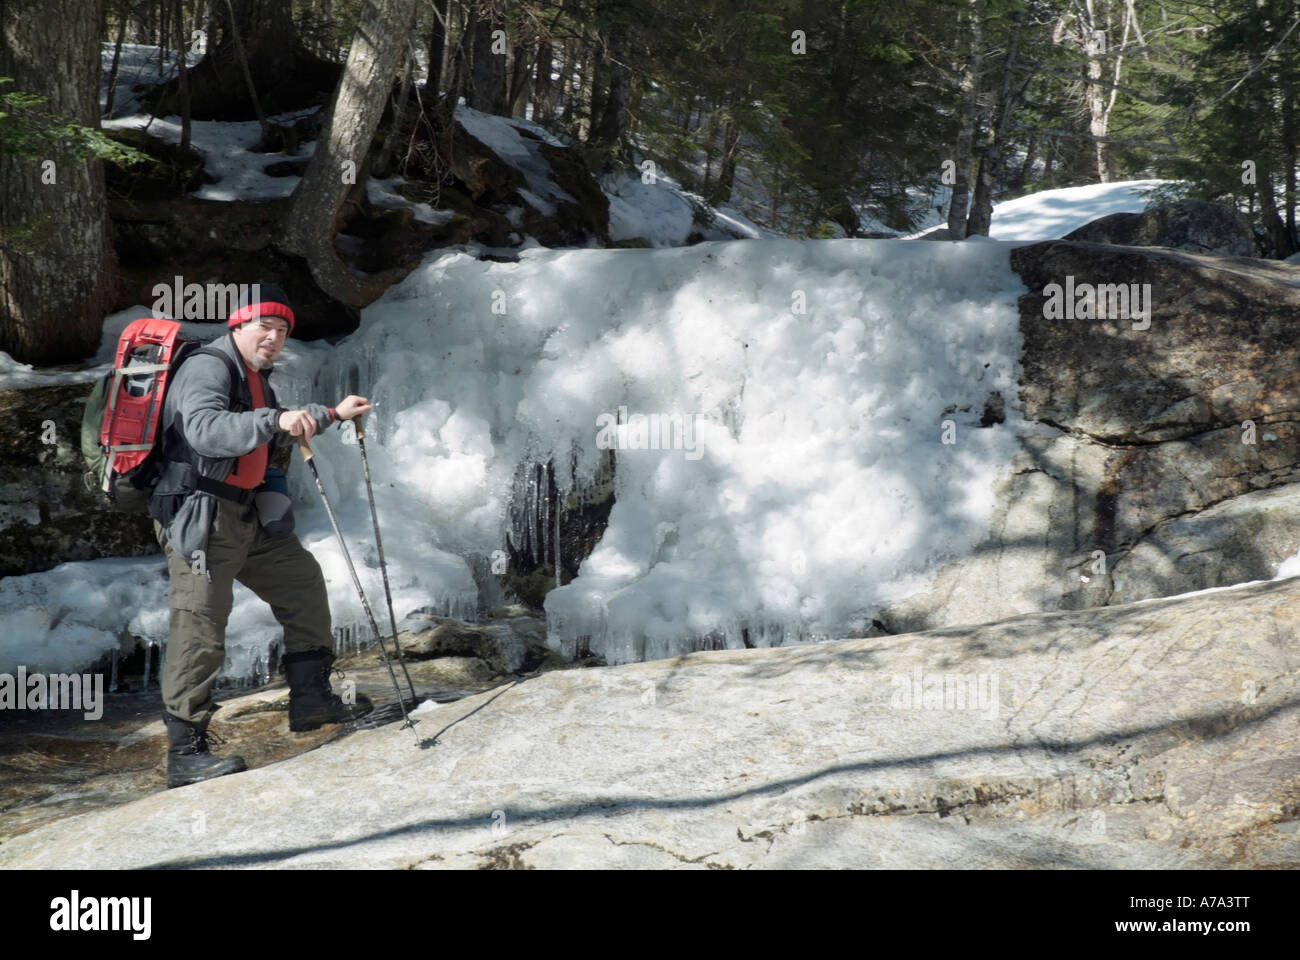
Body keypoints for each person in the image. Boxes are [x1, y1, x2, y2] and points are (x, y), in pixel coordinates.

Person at [150, 283, 374, 788]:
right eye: (263, 327)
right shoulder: (208, 366)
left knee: (302, 582)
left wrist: (331, 414)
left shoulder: (256, 377)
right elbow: (206, 429)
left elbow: (271, 433)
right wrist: (275, 418)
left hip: (246, 515)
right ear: (238, 326)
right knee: (200, 623)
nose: (273, 338)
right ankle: (185, 751)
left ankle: (312, 699)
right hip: (200, 516)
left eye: (282, 331)